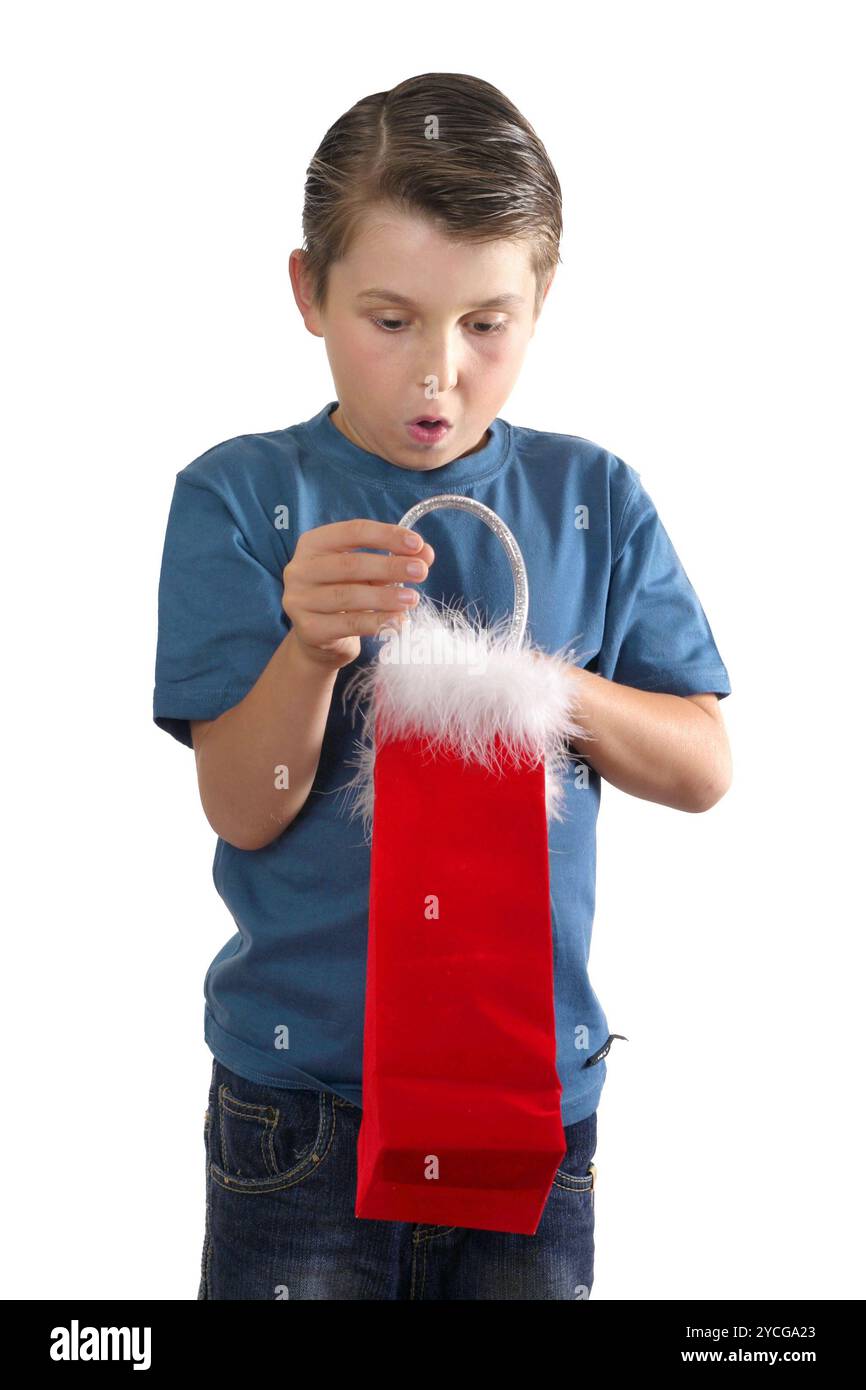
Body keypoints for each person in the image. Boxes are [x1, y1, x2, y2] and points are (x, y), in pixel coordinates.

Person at [153, 72, 732, 1301]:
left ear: (541, 300)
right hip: (300, 1105)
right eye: (390, 317)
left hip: (528, 1101)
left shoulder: (597, 498)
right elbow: (245, 805)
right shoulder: (237, 497)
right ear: (307, 292)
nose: (438, 375)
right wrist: (307, 651)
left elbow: (700, 766)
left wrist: (523, 689)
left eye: (485, 323)